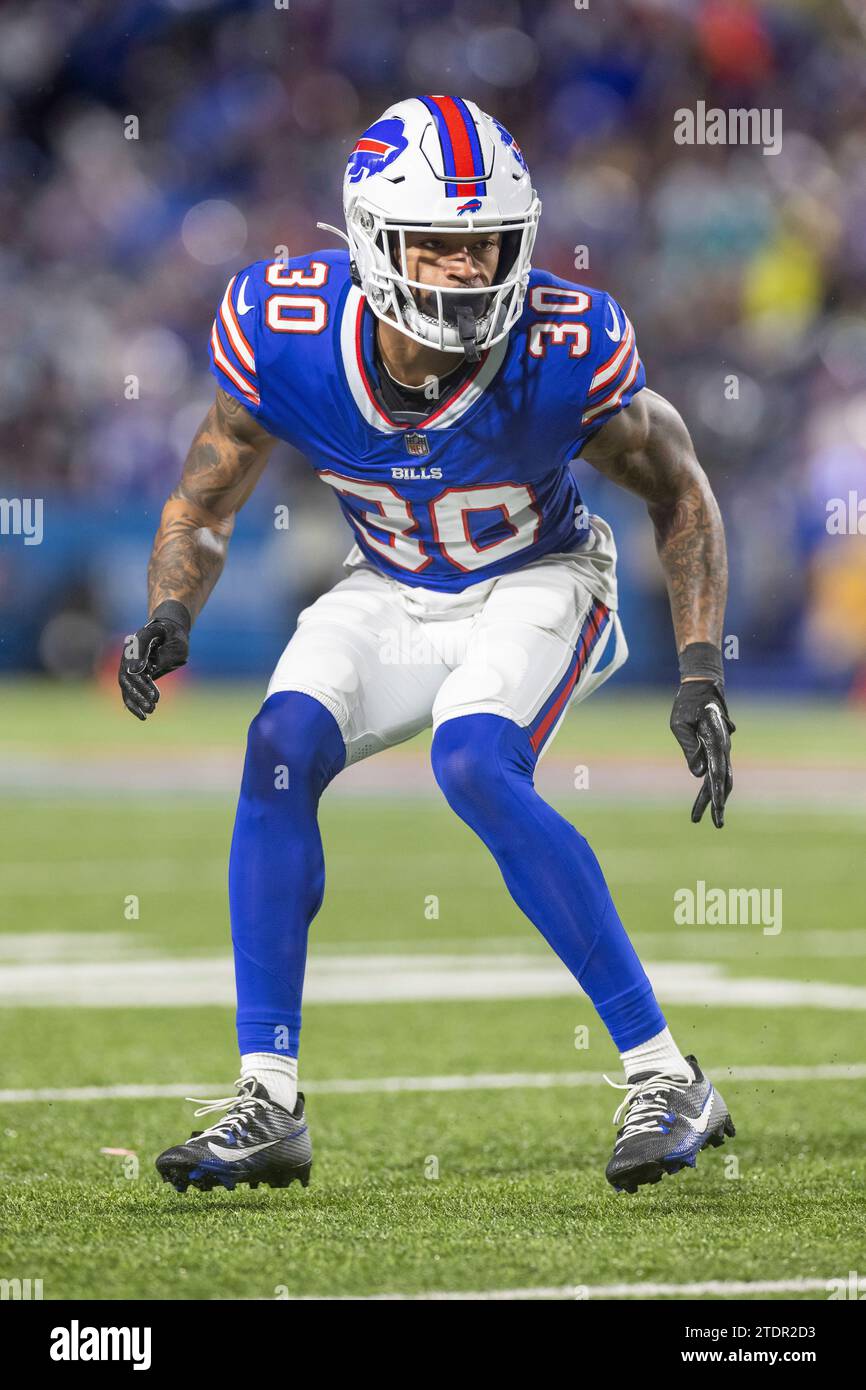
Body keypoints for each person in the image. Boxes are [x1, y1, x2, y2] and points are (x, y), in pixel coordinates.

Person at [119, 96, 735, 1196]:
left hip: (540, 576)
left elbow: (679, 488)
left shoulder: (563, 346)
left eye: (483, 243)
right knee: (276, 746)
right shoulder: (286, 331)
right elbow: (206, 491)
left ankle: (664, 1073)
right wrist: (173, 608)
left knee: (470, 760)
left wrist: (698, 667)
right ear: (368, 240)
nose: (462, 268)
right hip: (391, 585)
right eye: (434, 244)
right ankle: (268, 1100)